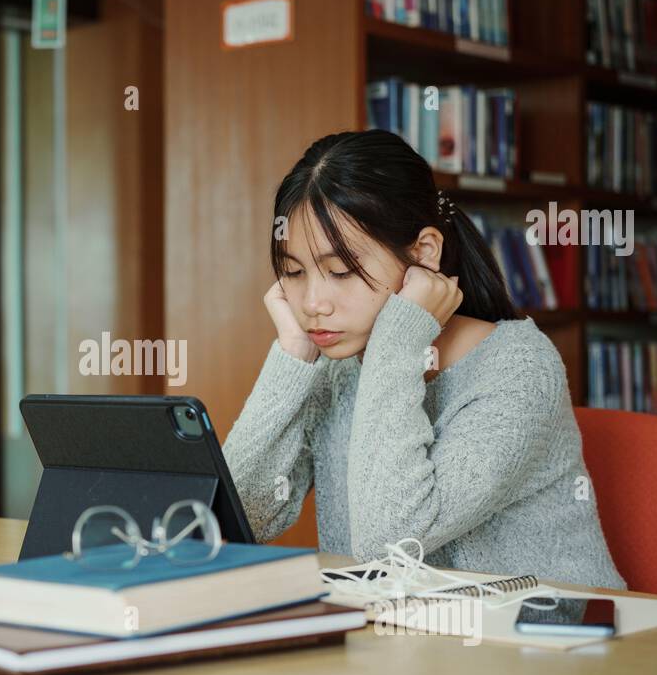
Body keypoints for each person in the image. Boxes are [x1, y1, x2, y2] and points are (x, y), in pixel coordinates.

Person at [222, 129, 626, 589]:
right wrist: (293, 355)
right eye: (293, 272)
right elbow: (236, 522)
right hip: (394, 640)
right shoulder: (336, 366)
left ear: (424, 253)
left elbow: (391, 545)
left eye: (340, 272)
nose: (313, 302)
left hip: (542, 645)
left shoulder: (520, 367)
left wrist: (400, 336)